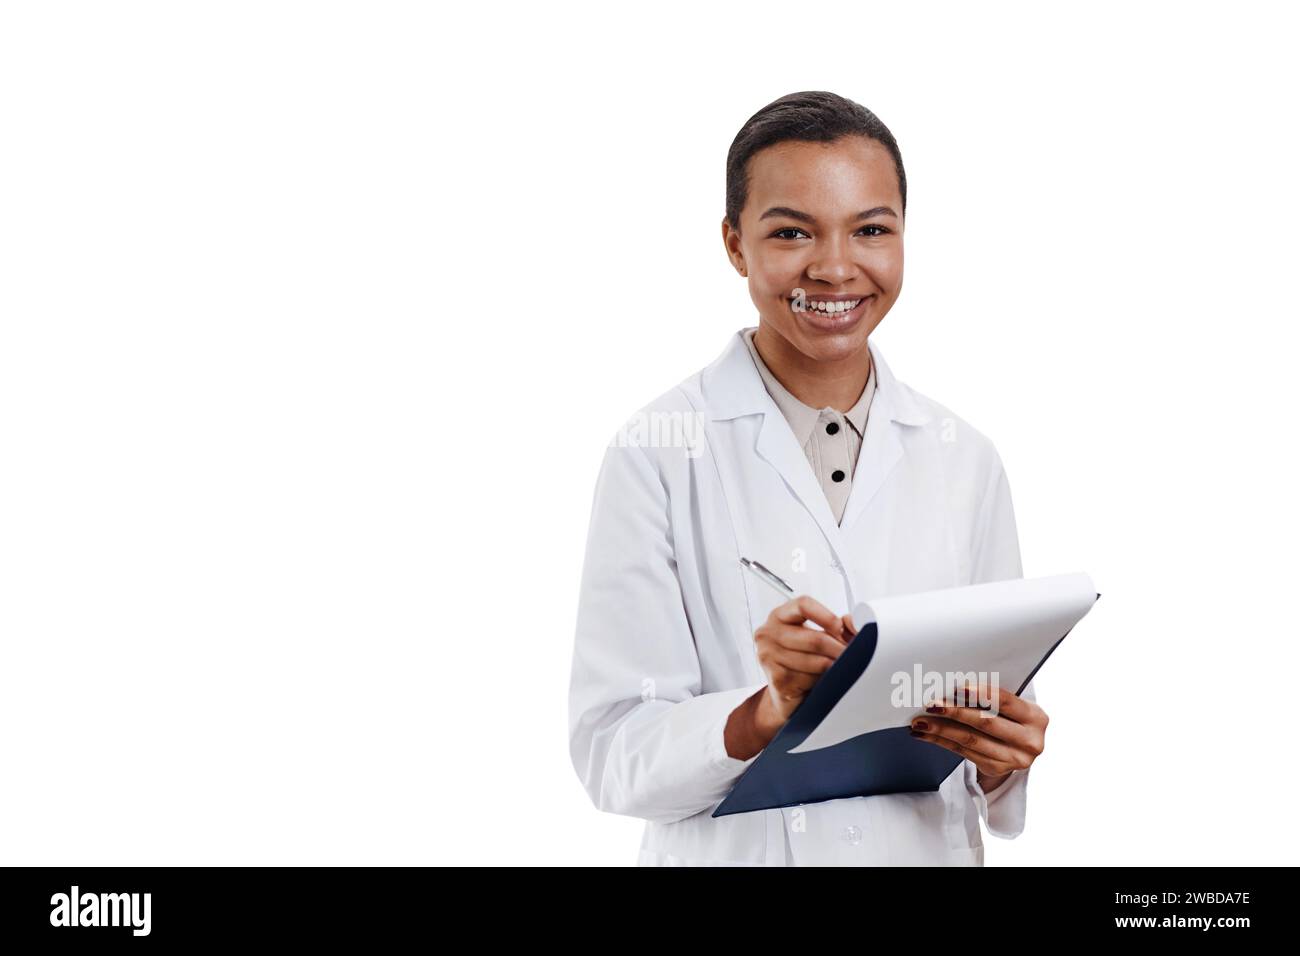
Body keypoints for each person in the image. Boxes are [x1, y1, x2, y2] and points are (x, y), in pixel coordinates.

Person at [567, 91, 1049, 866]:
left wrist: (1001, 759)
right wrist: (765, 712)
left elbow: (985, 737)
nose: (834, 267)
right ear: (735, 245)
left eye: (871, 230)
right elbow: (611, 751)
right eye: (791, 232)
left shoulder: (964, 458)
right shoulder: (657, 452)